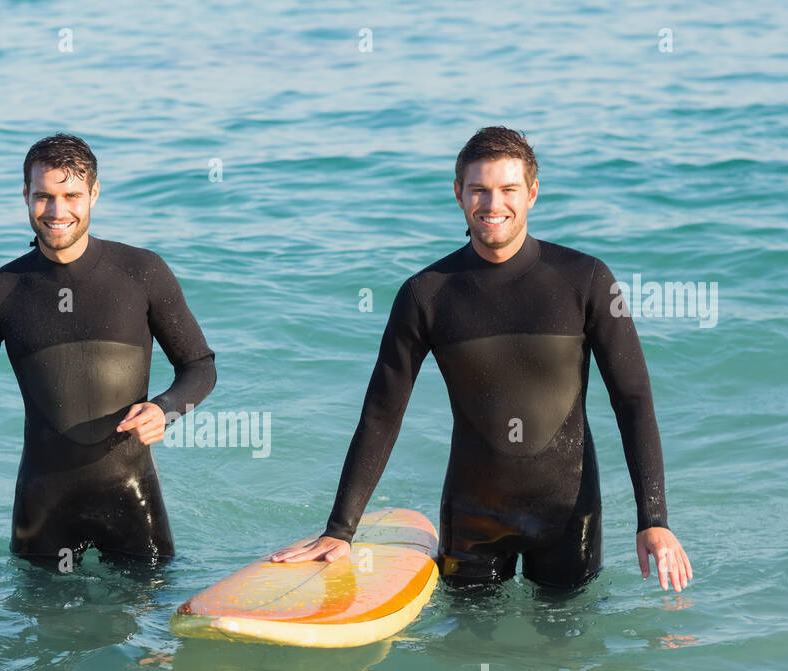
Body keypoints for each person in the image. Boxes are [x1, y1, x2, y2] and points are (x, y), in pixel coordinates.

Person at [271, 127, 691, 592]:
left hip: (569, 518)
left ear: (532, 192)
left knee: (569, 653)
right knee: (466, 653)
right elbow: (382, 413)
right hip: (472, 520)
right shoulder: (427, 294)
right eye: (479, 190)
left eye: (508, 189)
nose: (493, 205)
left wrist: (654, 520)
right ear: (458, 193)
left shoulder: (585, 279)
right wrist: (340, 530)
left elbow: (632, 399)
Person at [0, 133, 215, 562]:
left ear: (94, 194)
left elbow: (199, 366)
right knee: (44, 623)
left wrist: (167, 407)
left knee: (151, 619)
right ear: (25, 195)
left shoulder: (142, 272)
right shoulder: (0, 293)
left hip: (132, 497)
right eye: (43, 196)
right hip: (42, 508)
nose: (57, 211)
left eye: (71, 195)